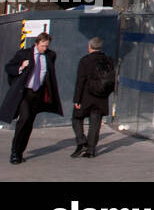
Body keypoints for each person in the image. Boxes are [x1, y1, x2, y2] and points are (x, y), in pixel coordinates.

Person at [1, 31, 63, 164]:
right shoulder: (23, 54)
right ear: (36, 44)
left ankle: (20, 151)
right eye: (42, 46)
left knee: (29, 123)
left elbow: (49, 74)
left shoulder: (50, 55)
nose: (44, 48)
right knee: (24, 119)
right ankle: (14, 153)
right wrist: (21, 67)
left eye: (46, 46)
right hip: (25, 93)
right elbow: (8, 67)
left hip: (38, 93)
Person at [72, 37, 114, 159]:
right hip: (101, 97)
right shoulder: (109, 60)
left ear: (89, 46)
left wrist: (77, 99)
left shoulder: (85, 61)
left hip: (86, 96)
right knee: (95, 123)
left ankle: (81, 142)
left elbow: (80, 81)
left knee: (76, 118)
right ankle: (91, 150)